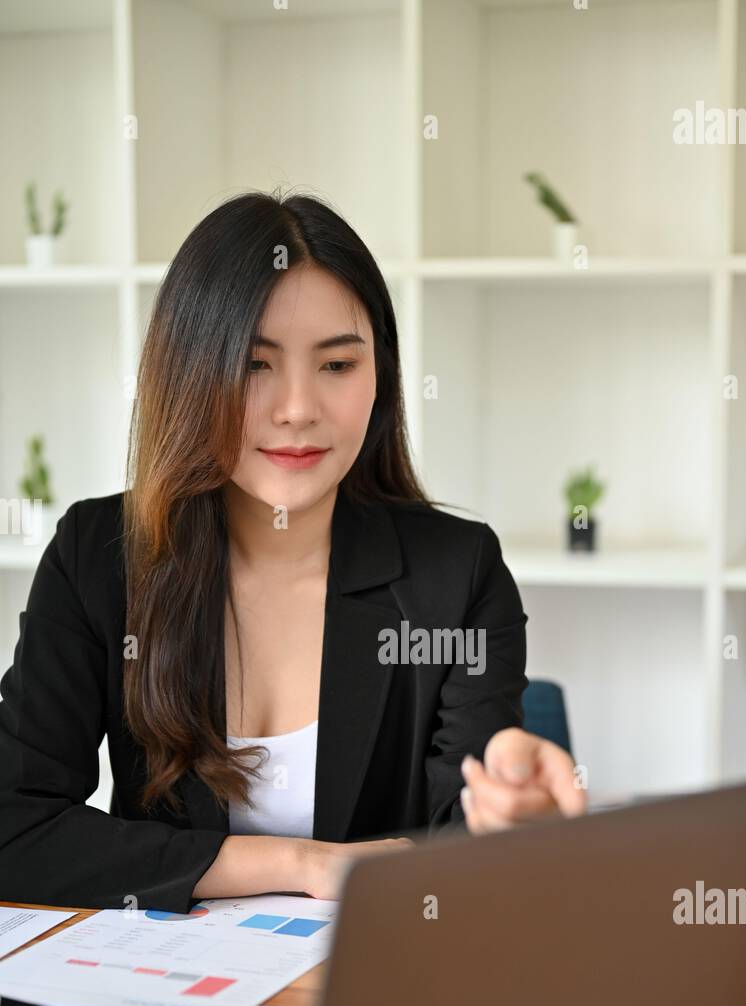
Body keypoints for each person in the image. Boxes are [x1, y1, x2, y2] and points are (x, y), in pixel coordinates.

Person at [0, 192, 585, 914]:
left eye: (338, 365)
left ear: (382, 379)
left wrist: (509, 814)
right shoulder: (99, 558)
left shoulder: (457, 573)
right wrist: (301, 864)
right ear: (189, 376)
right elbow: (14, 827)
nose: (299, 408)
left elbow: (459, 840)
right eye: (254, 365)